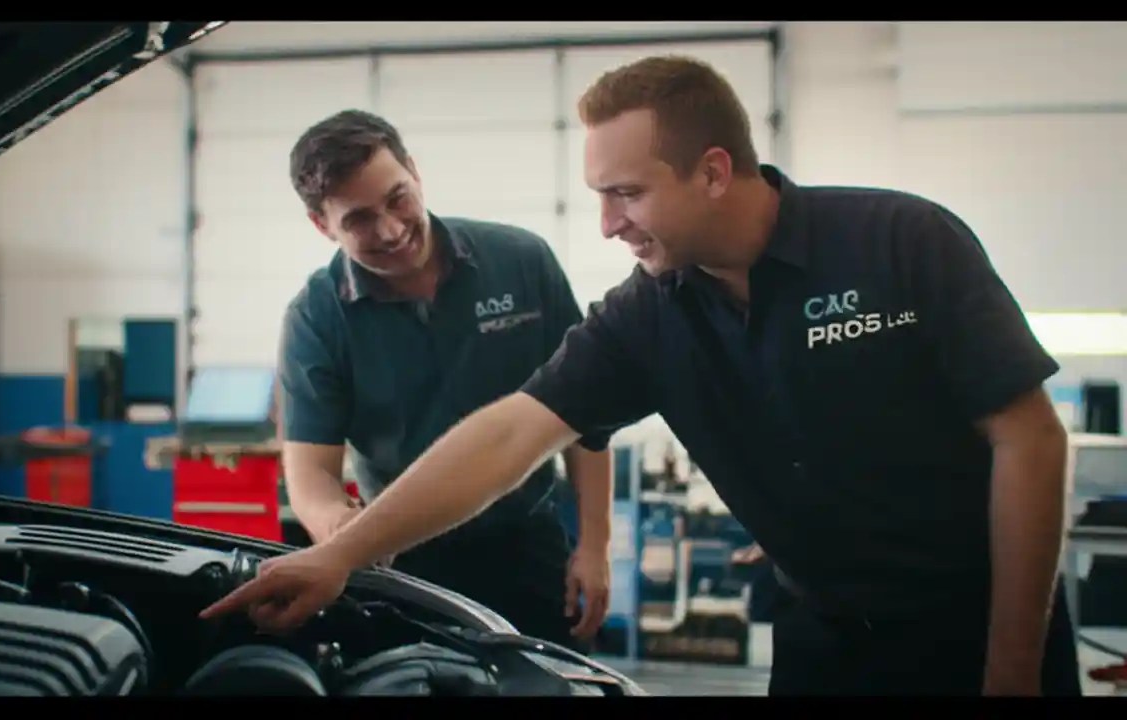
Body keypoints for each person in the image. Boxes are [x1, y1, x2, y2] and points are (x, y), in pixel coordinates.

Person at [204, 58, 1081, 696]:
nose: (606, 224)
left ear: (711, 172)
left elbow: (1031, 439)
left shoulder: (902, 242)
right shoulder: (648, 313)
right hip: (820, 640)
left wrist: (1008, 669)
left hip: (984, 629)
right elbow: (515, 430)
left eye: (625, 194)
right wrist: (341, 553)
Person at [268, 109, 614, 651]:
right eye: (358, 219)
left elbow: (588, 418)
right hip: (404, 556)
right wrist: (337, 527)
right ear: (322, 225)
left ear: (414, 171)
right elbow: (309, 470)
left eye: (397, 197)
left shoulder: (522, 262)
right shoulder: (316, 317)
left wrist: (595, 543)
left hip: (529, 544)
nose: (390, 229)